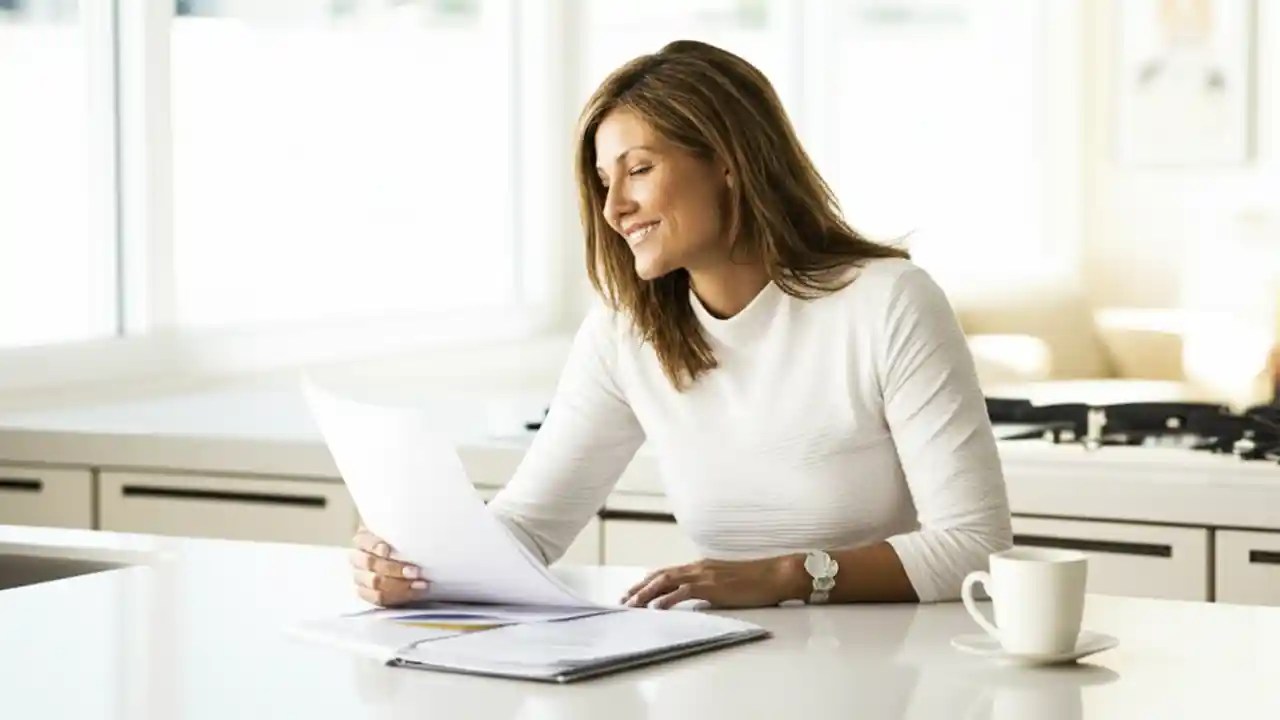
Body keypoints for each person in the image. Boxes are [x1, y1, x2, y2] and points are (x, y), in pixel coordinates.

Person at [350, 40, 1012, 610]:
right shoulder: (624, 333)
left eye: (639, 169)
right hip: (722, 666)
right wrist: (420, 565)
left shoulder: (888, 303)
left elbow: (975, 547)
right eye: (604, 181)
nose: (615, 207)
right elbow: (529, 526)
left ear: (728, 160)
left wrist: (786, 575)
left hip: (886, 673)